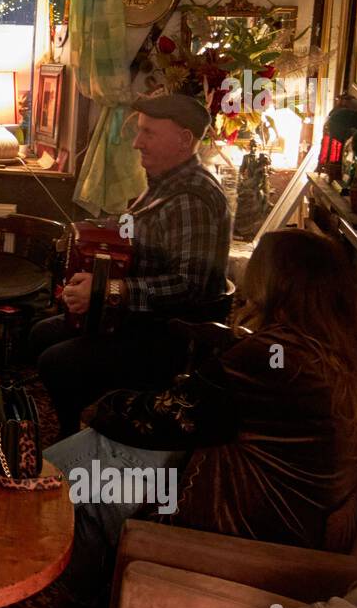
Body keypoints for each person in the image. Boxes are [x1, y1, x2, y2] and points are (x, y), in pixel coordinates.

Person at [20, 229, 357, 608]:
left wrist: (99, 407)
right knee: (91, 475)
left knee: (73, 473)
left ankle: (19, 527)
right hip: (274, 510)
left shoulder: (275, 357)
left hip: (241, 520)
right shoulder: (336, 350)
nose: (247, 284)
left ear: (279, 283)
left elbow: (167, 415)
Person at [31, 93, 232, 436]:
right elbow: (136, 230)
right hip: (140, 320)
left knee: (57, 360)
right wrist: (91, 235)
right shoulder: (166, 184)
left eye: (149, 133)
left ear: (185, 139)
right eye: (139, 132)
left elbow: (190, 286)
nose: (137, 143)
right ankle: (87, 424)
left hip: (166, 337)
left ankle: (90, 436)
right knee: (41, 334)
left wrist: (110, 289)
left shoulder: (191, 199)